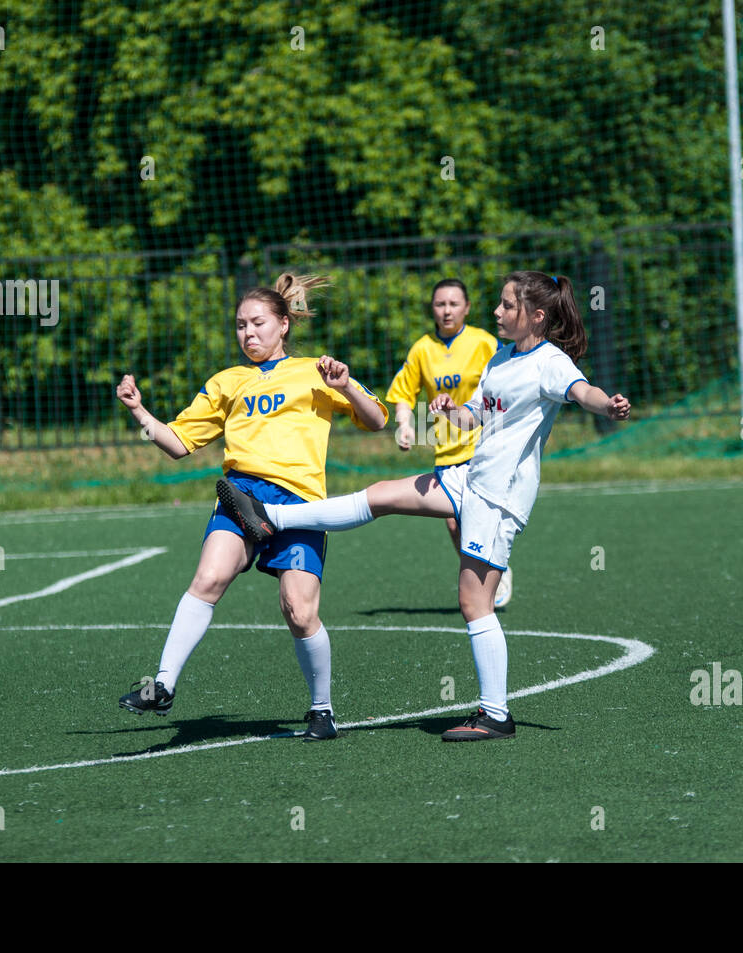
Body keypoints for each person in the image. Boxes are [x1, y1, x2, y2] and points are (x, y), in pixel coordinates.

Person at [219, 271, 631, 741]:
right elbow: (475, 416)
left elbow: (584, 392)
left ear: (535, 316)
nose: (495, 312)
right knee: (381, 495)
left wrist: (609, 406)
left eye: (505, 306)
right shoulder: (502, 356)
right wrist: (449, 410)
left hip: (498, 498)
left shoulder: (551, 362)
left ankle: (496, 715)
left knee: (475, 603)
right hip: (469, 477)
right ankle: (271, 517)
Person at [115, 273, 388, 739]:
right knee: (208, 578)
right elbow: (178, 443)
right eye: (240, 325)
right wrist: (140, 414)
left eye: (258, 323)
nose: (248, 333)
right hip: (242, 498)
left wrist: (346, 387)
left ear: (283, 324)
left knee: (299, 611)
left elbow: (377, 420)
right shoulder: (227, 382)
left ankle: (321, 709)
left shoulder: (314, 372)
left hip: (301, 503)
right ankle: (161, 686)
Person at [386, 279, 513, 605]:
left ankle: (496, 570)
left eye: (454, 304)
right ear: (433, 308)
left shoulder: (484, 342)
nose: (447, 310)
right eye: (441, 304)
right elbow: (403, 393)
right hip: (445, 448)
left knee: (475, 513)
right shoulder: (422, 349)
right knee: (454, 524)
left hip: (482, 442)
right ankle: (484, 568)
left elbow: (510, 378)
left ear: (466, 308)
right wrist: (406, 426)